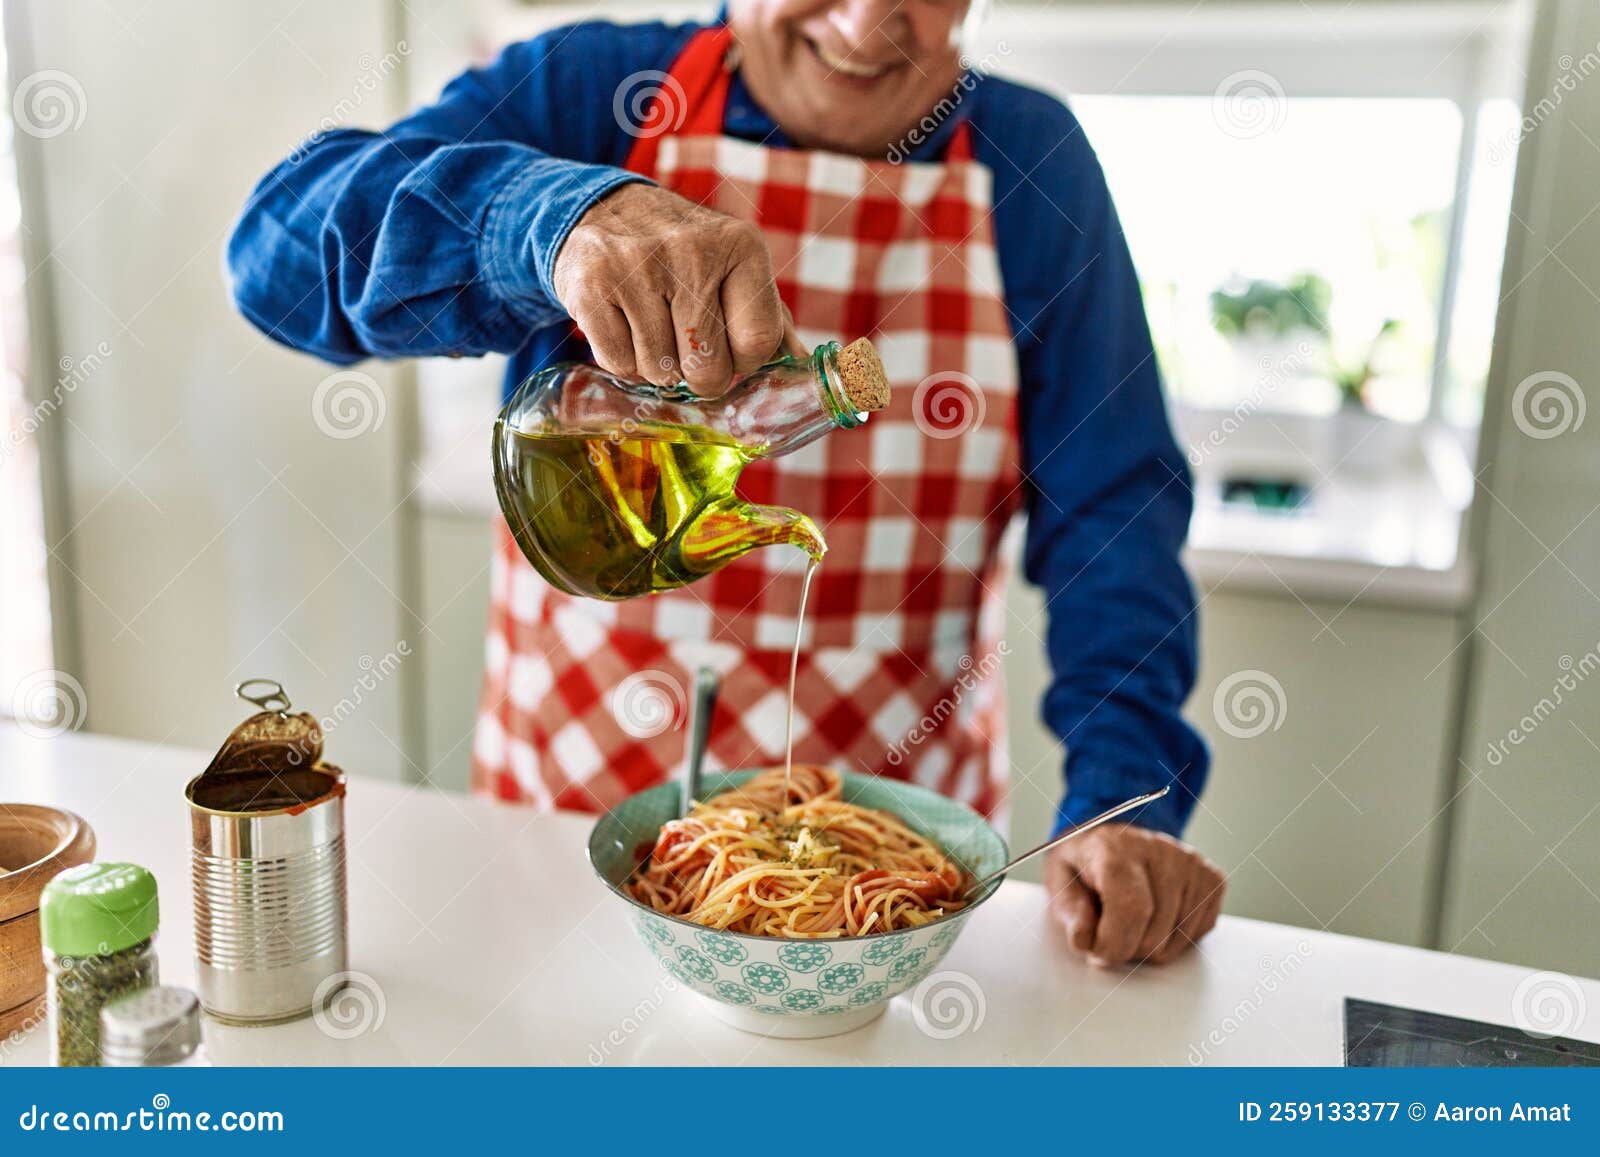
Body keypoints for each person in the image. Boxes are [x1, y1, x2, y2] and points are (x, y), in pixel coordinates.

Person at [226, 1, 1225, 966]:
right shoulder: (596, 91)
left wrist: (1121, 796)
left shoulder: (1028, 161)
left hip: (885, 895)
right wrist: (546, 223)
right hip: (557, 841)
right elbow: (273, 256)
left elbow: (1115, 518)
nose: (865, 26)